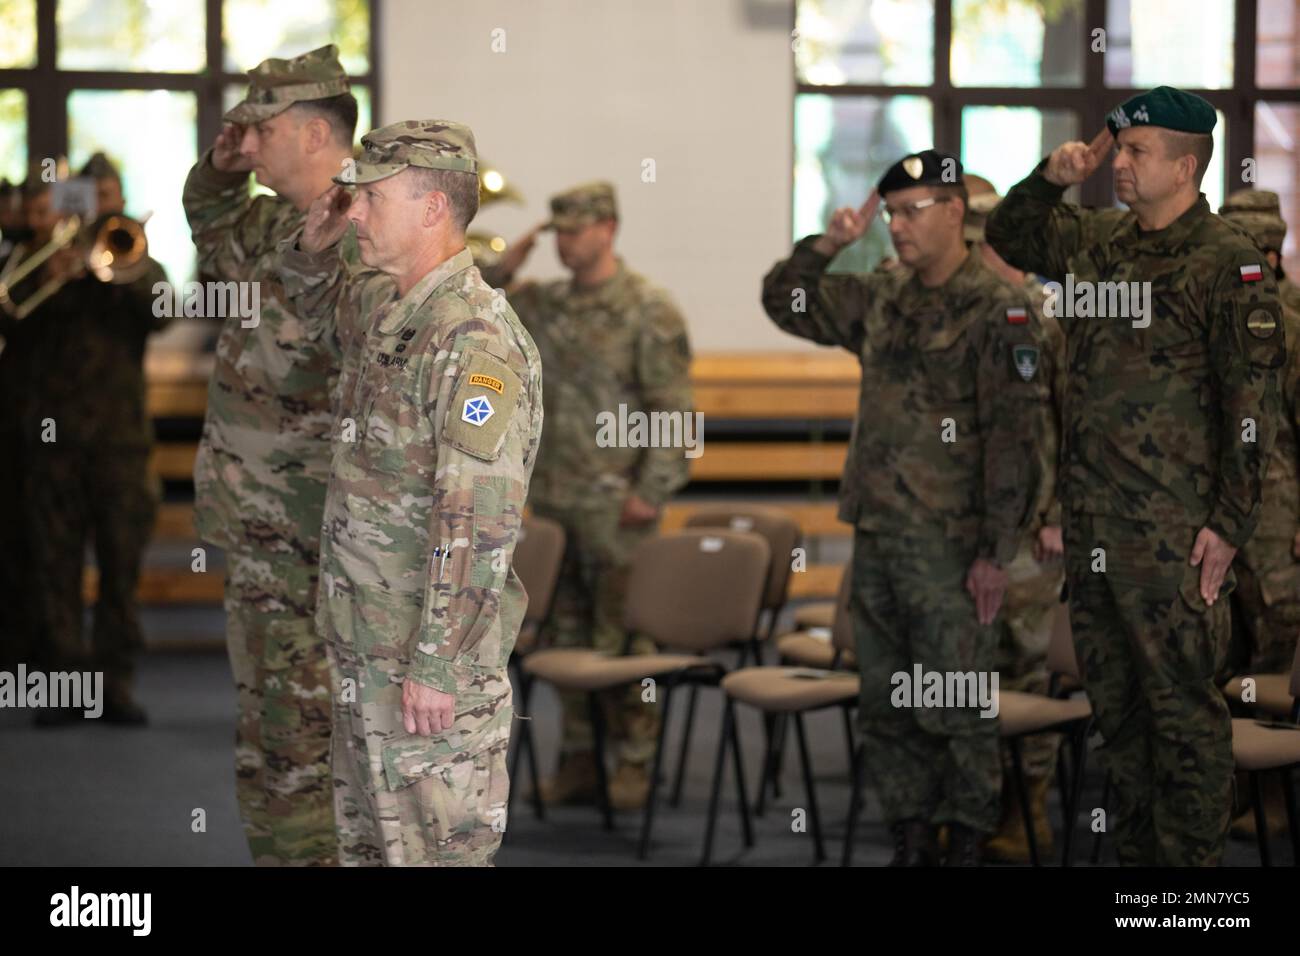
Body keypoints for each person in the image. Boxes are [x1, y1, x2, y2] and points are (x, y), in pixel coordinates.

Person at [986, 87, 1286, 866]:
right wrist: (1053, 175)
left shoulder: (1229, 263)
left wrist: (1229, 524)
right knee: (1119, 723)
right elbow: (1011, 235)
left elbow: (1251, 412)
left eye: (1136, 152)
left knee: (1182, 723)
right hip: (1095, 535)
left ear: (1185, 166)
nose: (1118, 163)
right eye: (1118, 151)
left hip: (1175, 541)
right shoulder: (1098, 244)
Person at [762, 150, 1046, 865]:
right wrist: (827, 245)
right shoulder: (883, 296)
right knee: (888, 704)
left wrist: (994, 552)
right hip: (882, 532)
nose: (896, 227)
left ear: (955, 212)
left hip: (954, 546)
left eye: (911, 210)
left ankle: (968, 839)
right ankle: (911, 836)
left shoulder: (998, 308)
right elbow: (785, 301)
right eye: (890, 213)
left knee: (956, 701)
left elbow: (1016, 441)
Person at [279, 119, 543, 866]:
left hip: (424, 677)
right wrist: (317, 240)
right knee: (369, 853)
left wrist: (436, 663)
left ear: (433, 208)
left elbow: (477, 519)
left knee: (432, 855)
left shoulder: (474, 340)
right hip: (369, 649)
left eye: (372, 198)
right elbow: (306, 310)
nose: (355, 211)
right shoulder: (394, 310)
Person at [182, 43, 357, 866]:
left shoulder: (365, 230)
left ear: (316, 131)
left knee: (302, 745)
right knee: (265, 738)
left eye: (262, 128)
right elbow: (210, 224)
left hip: (312, 538)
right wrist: (218, 172)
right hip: (256, 531)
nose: (247, 143)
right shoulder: (265, 220)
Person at [483, 182, 693, 810]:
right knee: (565, 637)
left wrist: (652, 491)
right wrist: (504, 266)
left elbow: (673, 410)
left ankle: (633, 762)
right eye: (558, 233)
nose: (566, 243)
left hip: (618, 507)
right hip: (555, 503)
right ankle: (579, 759)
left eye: (577, 230)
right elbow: (473, 308)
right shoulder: (545, 305)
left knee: (629, 640)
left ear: (608, 228)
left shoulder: (647, 307)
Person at [2, 173, 169, 725]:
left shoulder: (136, 257)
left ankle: (115, 686)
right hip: (51, 448)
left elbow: (161, 314)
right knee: (56, 569)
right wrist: (53, 269)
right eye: (84, 197)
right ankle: (63, 690)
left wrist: (120, 273)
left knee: (121, 570)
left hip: (120, 447)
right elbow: (10, 320)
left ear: (118, 201)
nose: (96, 207)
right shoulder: (36, 259)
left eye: (105, 197)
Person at [965, 188, 1068, 862]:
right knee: (963, 672)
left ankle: (1026, 807)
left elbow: (1073, 424)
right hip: (964, 530)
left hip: (1032, 531)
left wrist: (1058, 515)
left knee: (1026, 670)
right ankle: (971, 803)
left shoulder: (1046, 318)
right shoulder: (954, 316)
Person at [1218, 188, 1300, 840]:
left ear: (1273, 253)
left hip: (1278, 521)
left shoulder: (1293, 325)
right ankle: (1235, 793)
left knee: (1276, 652)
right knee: (1227, 654)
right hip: (1223, 517)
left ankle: (1275, 799)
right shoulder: (1217, 315)